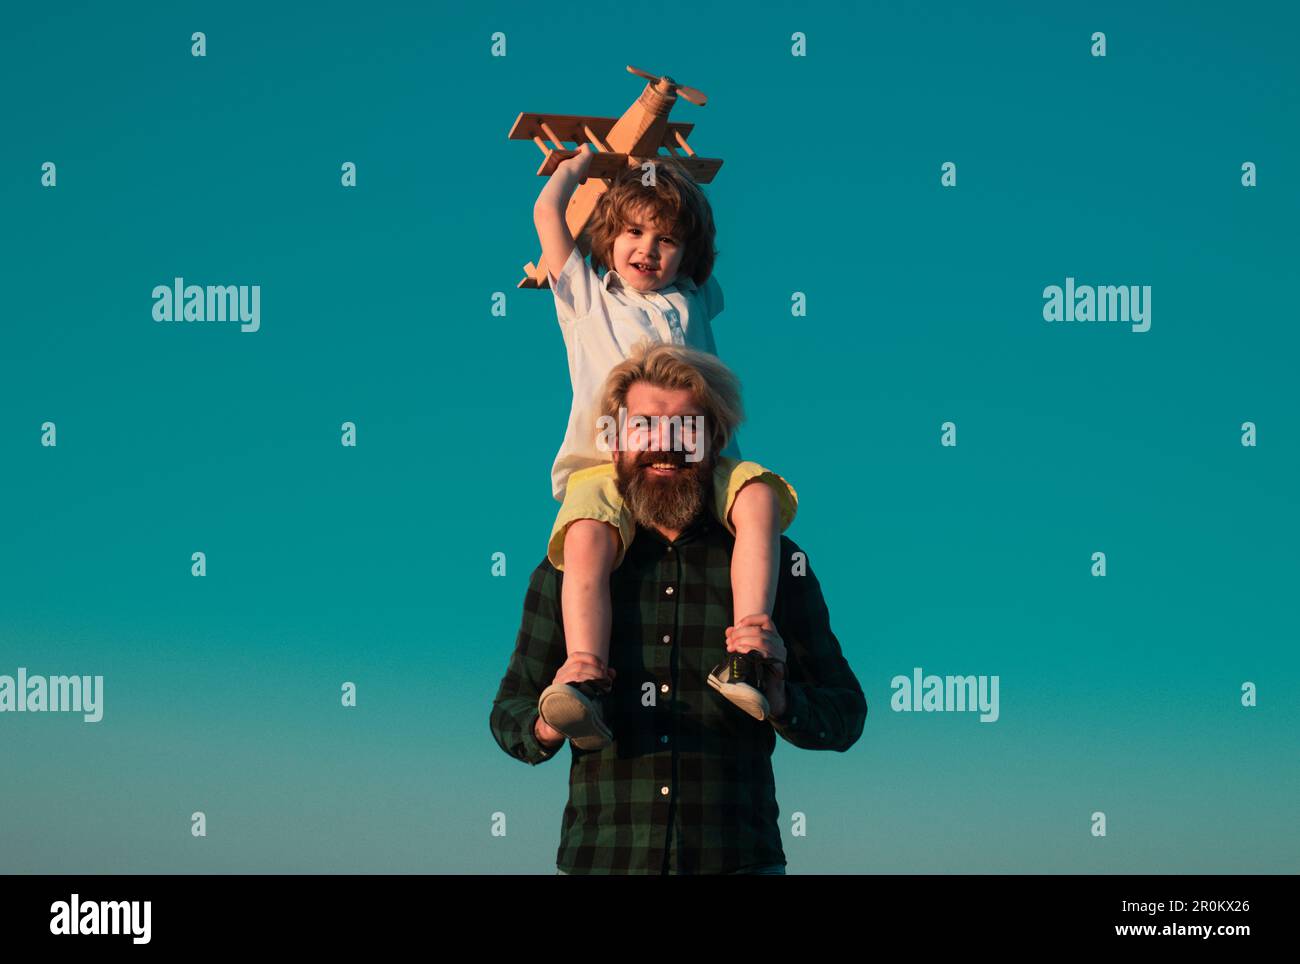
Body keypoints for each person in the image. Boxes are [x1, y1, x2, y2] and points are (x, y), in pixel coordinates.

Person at [489, 342, 867, 874]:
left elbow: (845, 715)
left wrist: (783, 700)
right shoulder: (570, 568)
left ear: (715, 442)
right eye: (643, 427)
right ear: (615, 443)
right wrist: (550, 724)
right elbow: (510, 712)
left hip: (736, 859)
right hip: (604, 859)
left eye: (686, 429)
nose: (664, 446)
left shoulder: (778, 564)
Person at [534, 145, 798, 749]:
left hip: (697, 455)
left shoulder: (693, 296)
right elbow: (548, 217)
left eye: (666, 240)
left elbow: (700, 231)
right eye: (633, 232)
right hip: (611, 458)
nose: (648, 249)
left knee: (758, 496)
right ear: (608, 235)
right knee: (586, 538)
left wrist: (662, 175)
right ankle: (584, 675)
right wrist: (577, 169)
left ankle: (750, 648)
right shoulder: (587, 298)